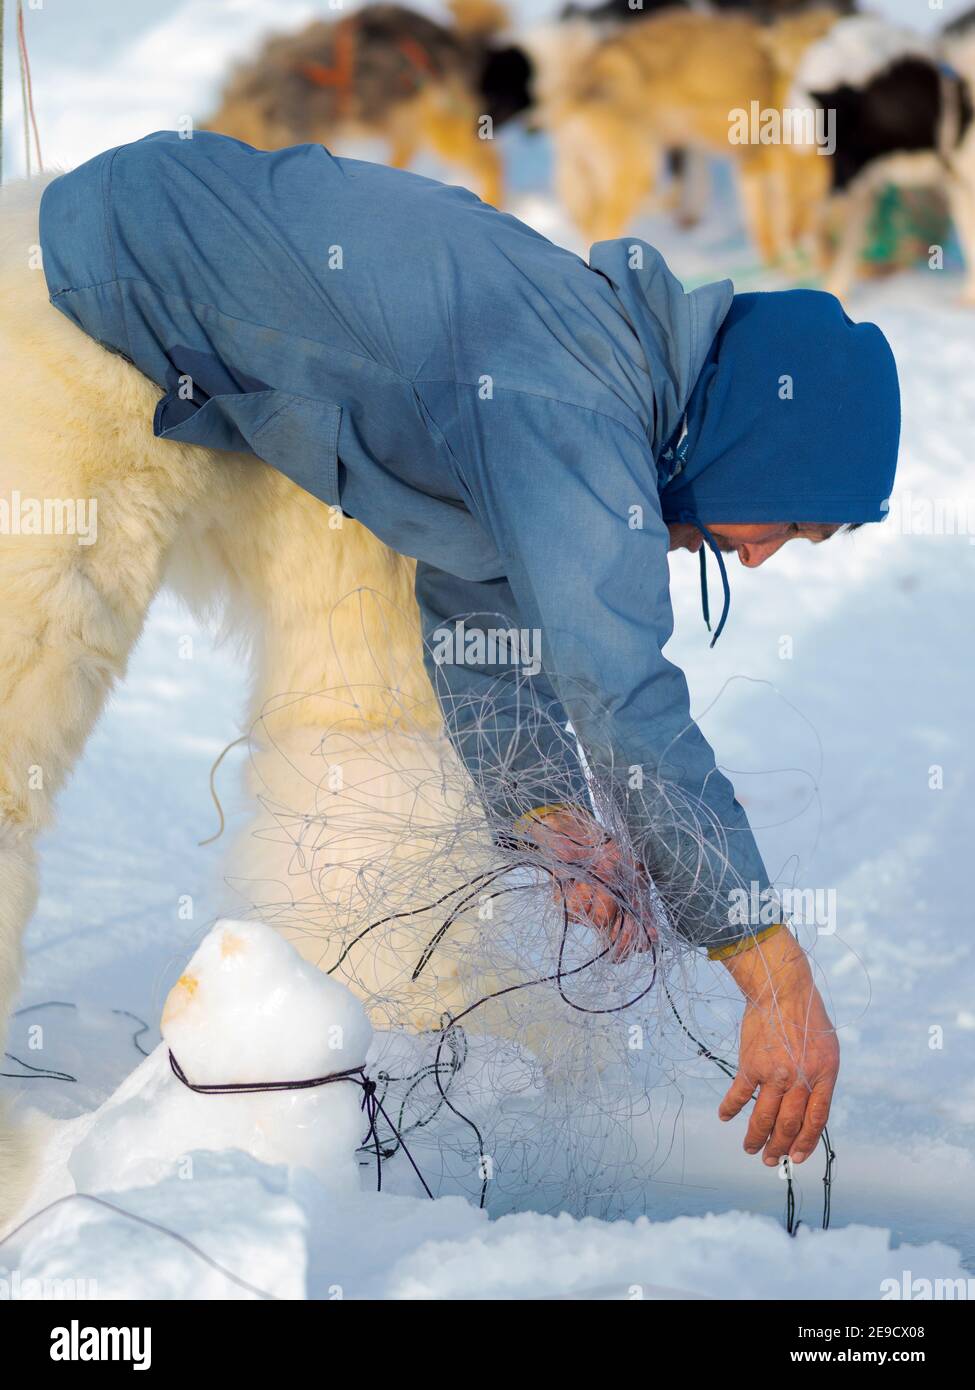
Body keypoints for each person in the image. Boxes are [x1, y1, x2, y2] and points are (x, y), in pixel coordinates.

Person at [39, 130, 900, 1171]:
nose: (760, 560)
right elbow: (625, 699)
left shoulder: (582, 370)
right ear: (764, 441)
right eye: (794, 527)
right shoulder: (578, 396)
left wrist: (550, 817)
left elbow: (481, 620)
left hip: (117, 283)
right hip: (64, 299)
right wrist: (774, 975)